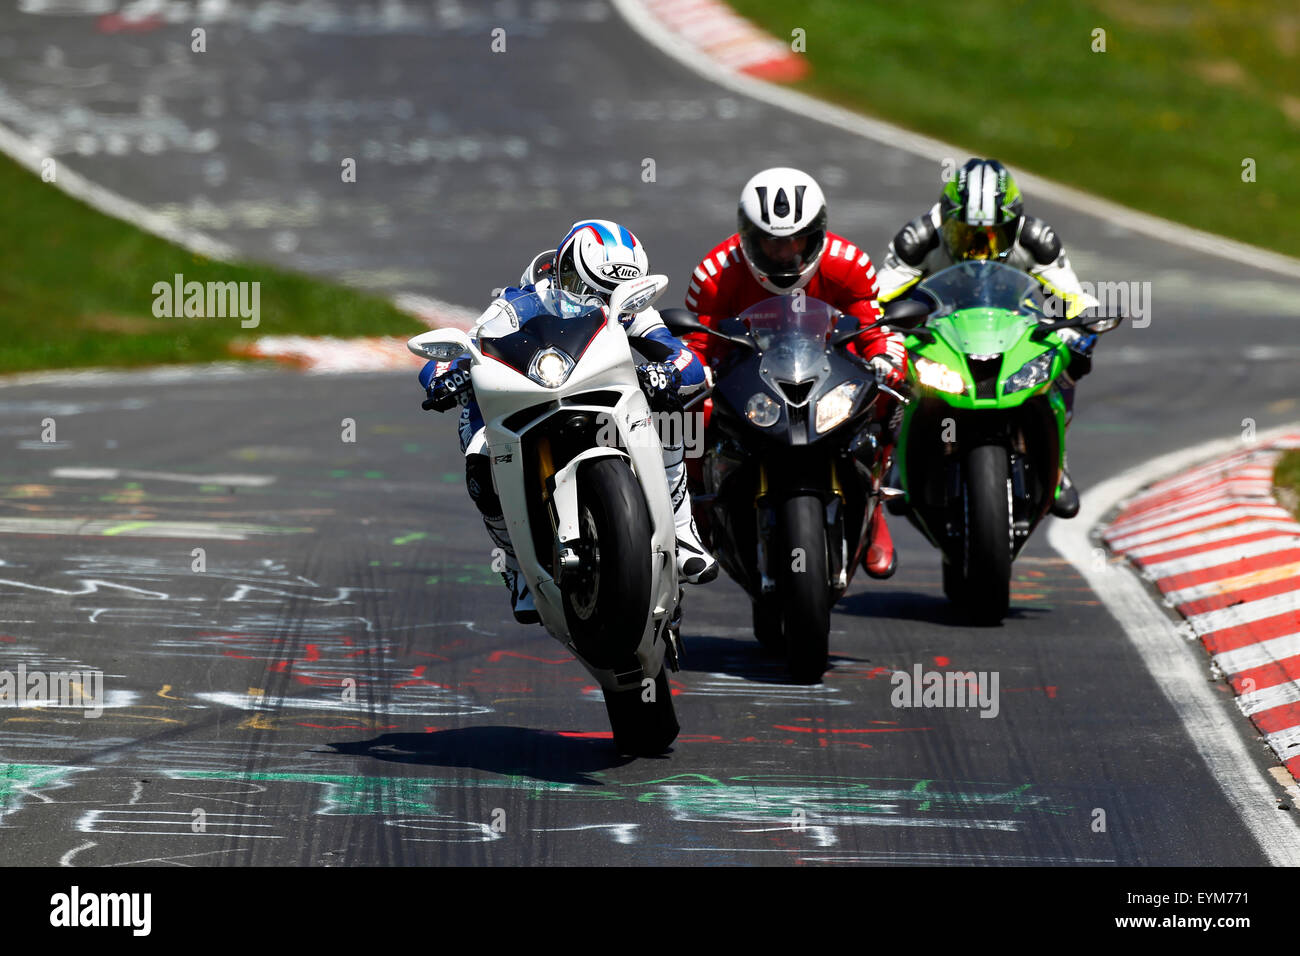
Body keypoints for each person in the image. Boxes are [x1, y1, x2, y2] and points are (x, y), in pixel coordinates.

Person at [421, 219, 718, 623]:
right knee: (478, 454)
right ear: (564, 271)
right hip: (536, 403)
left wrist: (668, 372)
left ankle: (683, 532)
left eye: (610, 293)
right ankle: (516, 568)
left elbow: (686, 360)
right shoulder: (516, 301)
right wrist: (445, 377)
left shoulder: (631, 305)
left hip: (608, 405)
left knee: (669, 415)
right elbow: (463, 349)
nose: (599, 300)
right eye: (589, 288)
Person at [682, 167, 909, 578]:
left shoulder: (850, 264)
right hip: (749, 377)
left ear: (817, 233)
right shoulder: (714, 274)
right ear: (748, 237)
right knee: (688, 407)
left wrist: (886, 361)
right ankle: (698, 503)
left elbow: (877, 327)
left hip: (828, 371)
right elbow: (698, 347)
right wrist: (697, 379)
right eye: (771, 242)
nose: (785, 254)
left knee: (892, 390)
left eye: (796, 240)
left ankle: (874, 502)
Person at [874, 157, 1118, 518]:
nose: (980, 248)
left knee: (1077, 347)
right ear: (947, 221)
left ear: (1013, 226)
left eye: (993, 236)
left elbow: (1072, 296)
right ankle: (892, 451)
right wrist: (888, 329)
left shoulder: (1037, 239)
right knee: (882, 356)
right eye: (967, 234)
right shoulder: (919, 239)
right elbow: (877, 300)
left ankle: (1057, 462)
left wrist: (1083, 320)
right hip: (939, 319)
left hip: (1012, 317)